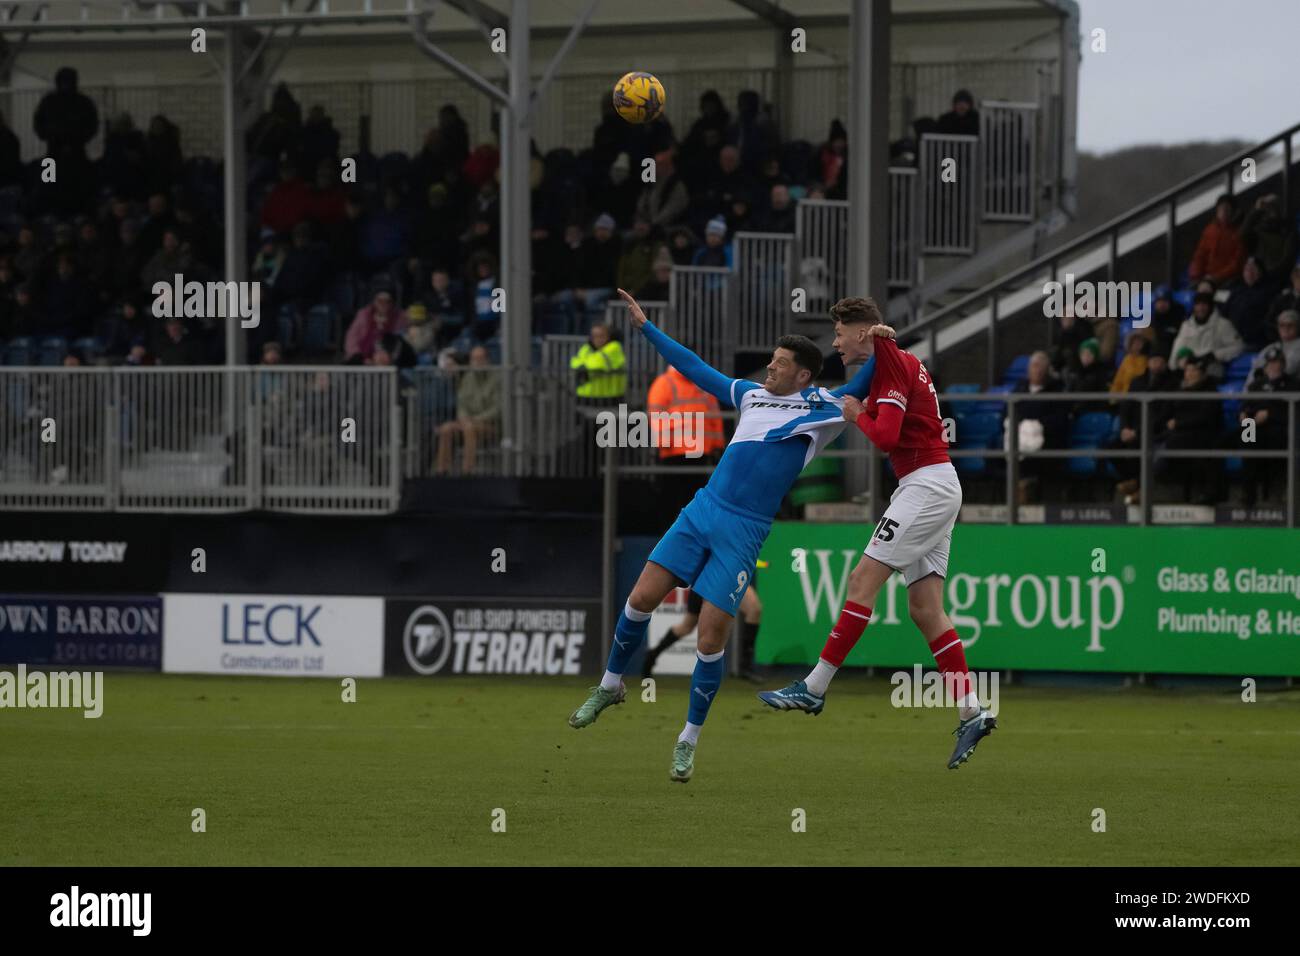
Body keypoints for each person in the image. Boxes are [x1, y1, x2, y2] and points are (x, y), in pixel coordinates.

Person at [567, 289, 890, 784]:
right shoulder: (751, 394)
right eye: (772, 361)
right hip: (703, 509)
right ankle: (610, 685)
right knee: (640, 597)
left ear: (803, 374)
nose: (771, 368)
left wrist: (884, 341)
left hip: (745, 529)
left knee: (711, 636)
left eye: (781, 364)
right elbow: (694, 367)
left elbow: (867, 378)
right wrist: (646, 327)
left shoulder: (825, 407)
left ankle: (687, 741)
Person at [759, 297, 995, 770]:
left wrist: (855, 415)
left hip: (925, 486)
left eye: (840, 333)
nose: (835, 342)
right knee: (926, 609)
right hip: (935, 483)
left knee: (861, 582)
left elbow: (886, 436)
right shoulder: (899, 358)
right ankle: (972, 709)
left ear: (862, 333)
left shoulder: (890, 364)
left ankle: (814, 687)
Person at [642, 583, 763, 680]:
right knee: (687, 626)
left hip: (733, 575)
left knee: (754, 609)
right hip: (707, 579)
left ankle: (745, 666)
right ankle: (653, 654)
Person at [1238, 346, 1297, 507]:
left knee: (1276, 442)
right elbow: (1246, 405)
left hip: (1279, 427)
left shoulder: (1291, 384)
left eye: (1276, 362)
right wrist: (1244, 413)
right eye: (1270, 362)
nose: (1273, 366)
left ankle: (1275, 493)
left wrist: (1270, 414)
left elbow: (1293, 412)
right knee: (1245, 444)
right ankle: (1248, 495)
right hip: (1253, 425)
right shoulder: (1256, 384)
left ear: (1283, 364)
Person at [434, 344, 499, 475]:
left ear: (487, 360)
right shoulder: (468, 378)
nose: (477, 363)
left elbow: (497, 409)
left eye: (480, 359)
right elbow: (461, 404)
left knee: (469, 428)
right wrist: (463, 418)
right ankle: (441, 471)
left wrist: (474, 420)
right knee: (447, 428)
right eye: (474, 359)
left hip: (491, 425)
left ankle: (467, 471)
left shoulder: (498, 378)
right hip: (468, 422)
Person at [1169, 291, 1243, 380]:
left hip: (1212, 366)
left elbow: (1238, 346)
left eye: (1204, 304)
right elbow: (1178, 348)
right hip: (1190, 367)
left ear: (1210, 307)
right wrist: (1178, 363)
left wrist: (1215, 355)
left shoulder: (1223, 324)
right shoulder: (1186, 325)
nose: (1200, 308)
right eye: (1198, 304)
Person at [1187, 194, 1245, 286]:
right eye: (1221, 208)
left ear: (1233, 212)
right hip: (1206, 277)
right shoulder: (1210, 230)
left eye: (1227, 209)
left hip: (1226, 280)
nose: (1223, 212)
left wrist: (1216, 277)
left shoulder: (1238, 233)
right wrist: (1196, 275)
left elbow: (1236, 263)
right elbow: (1200, 254)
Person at [569, 322, 626, 404]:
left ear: (609, 337)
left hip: (610, 399)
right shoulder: (587, 348)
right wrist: (582, 367)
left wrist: (582, 368)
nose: (598, 339)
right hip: (584, 397)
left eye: (601, 336)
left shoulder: (615, 347)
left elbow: (596, 364)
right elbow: (574, 362)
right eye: (594, 336)